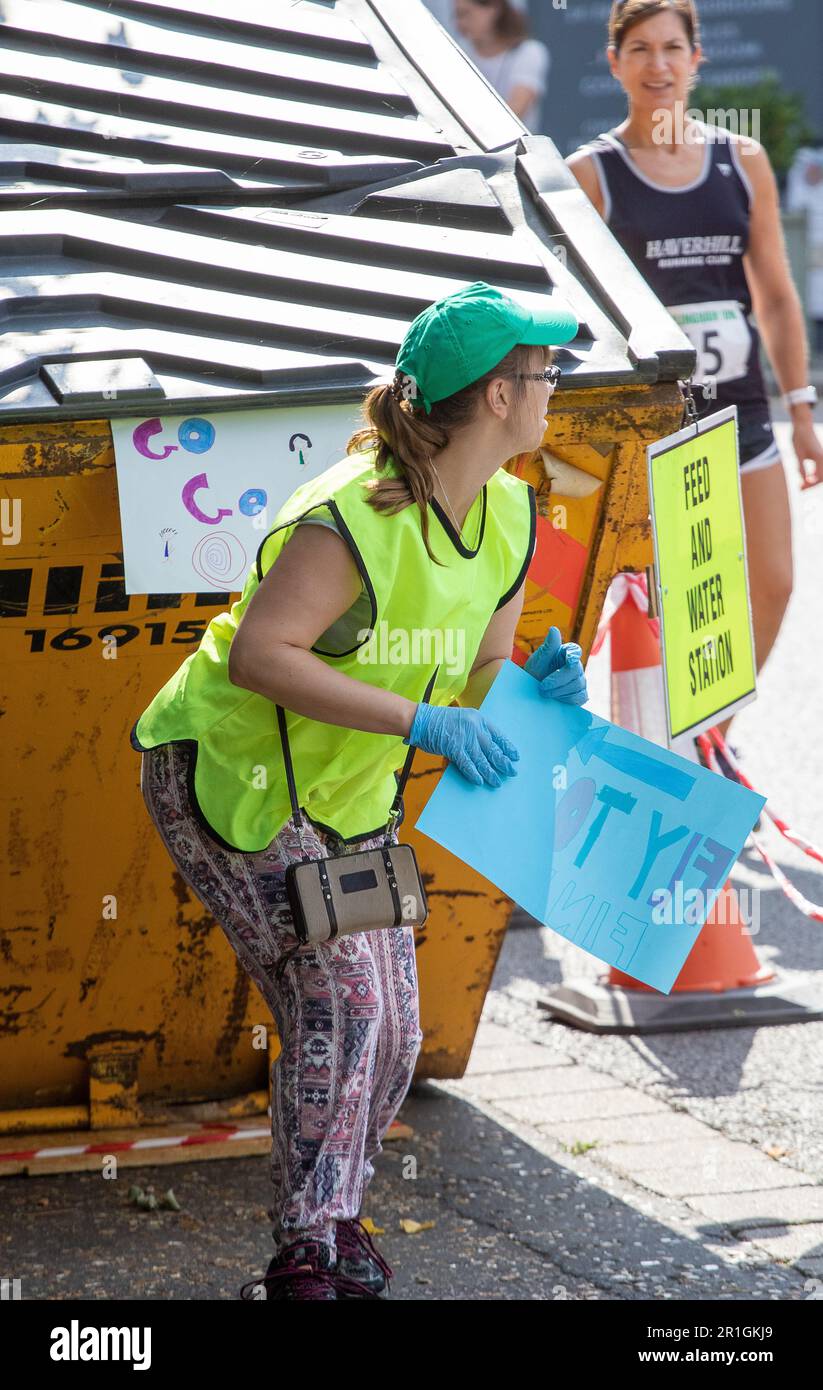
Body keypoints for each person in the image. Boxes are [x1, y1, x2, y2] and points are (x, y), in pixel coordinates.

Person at [130, 281, 588, 1300]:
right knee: (343, 1003)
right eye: (544, 371)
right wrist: (425, 723)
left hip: (345, 792)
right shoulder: (346, 517)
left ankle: (336, 1223)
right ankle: (305, 1255)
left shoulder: (509, 513)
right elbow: (260, 655)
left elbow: (478, 669)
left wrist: (529, 690)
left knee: (398, 1031)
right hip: (229, 773)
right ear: (499, 397)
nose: (556, 385)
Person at [566, 0, 823, 760]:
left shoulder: (739, 162)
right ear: (614, 64)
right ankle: (669, 754)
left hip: (742, 409)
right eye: (638, 50)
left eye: (671, 48)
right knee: (677, 600)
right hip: (656, 425)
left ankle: (711, 738)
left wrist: (801, 410)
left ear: (695, 60)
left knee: (771, 582)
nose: (657, 66)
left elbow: (774, 294)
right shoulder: (592, 175)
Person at [453, 0, 549, 130]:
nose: (459, 23)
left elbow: (516, 112)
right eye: (457, 15)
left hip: (514, 148)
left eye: (465, 13)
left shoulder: (529, 52)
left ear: (493, 9)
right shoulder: (457, 50)